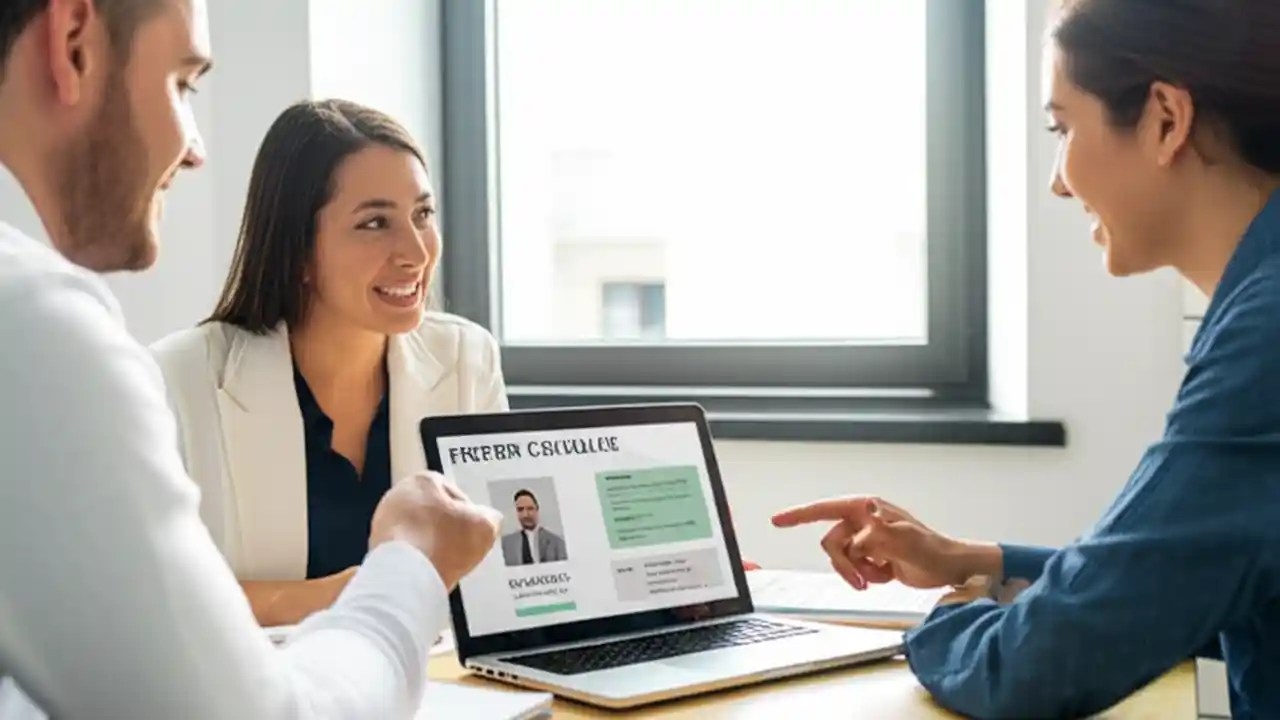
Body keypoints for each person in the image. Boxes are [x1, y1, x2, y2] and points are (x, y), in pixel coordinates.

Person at [772, 0, 1280, 717]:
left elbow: (1037, 667)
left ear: (1166, 119)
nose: (1059, 181)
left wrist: (940, 618)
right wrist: (979, 562)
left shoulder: (1264, 336)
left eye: (1063, 128)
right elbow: (1197, 578)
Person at [0, 1, 501, 717]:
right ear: (72, 41)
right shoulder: (47, 336)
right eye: (183, 82)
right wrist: (408, 566)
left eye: (423, 213)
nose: (197, 147)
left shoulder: (461, 353)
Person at [150, 99, 508, 627]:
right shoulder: (181, 378)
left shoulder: (466, 358)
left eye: (423, 215)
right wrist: (363, 593)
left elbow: (496, 580)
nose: (415, 251)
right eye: (374, 223)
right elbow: (159, 597)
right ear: (297, 250)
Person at [501, 489, 568, 566]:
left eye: (530, 509)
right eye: (520, 510)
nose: (525, 515)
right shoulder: (505, 544)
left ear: (537, 509)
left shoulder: (557, 543)